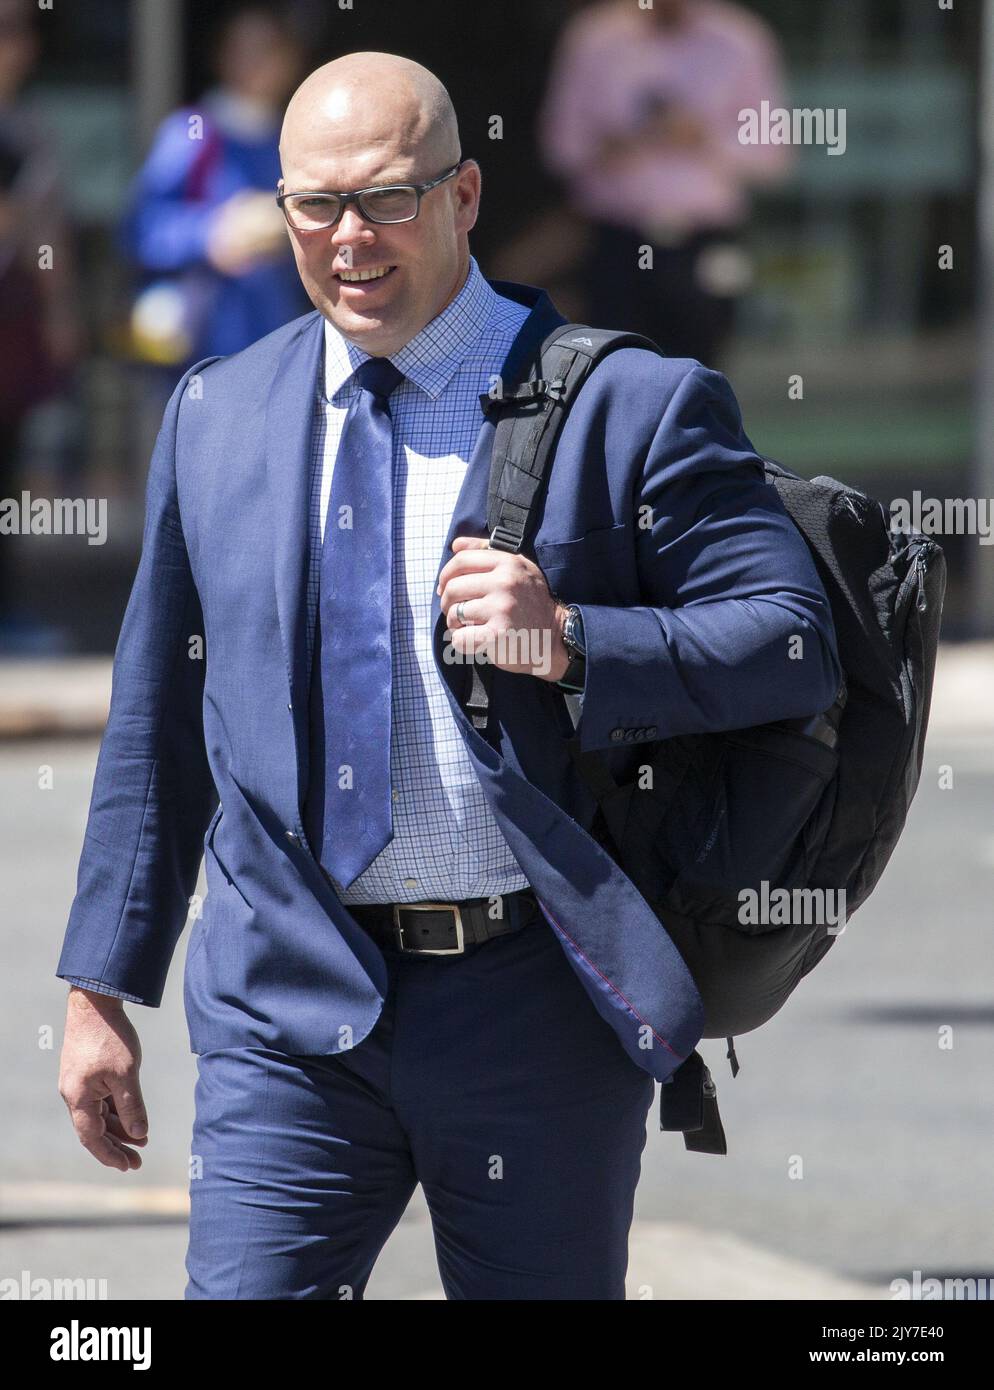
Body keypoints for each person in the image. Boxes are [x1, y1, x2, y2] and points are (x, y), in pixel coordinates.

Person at [56, 51, 840, 1301]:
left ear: (465, 195)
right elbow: (157, 723)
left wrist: (577, 634)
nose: (347, 239)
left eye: (388, 199)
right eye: (313, 205)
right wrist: (101, 982)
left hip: (528, 1004)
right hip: (283, 1007)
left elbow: (792, 637)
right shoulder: (217, 413)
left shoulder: (625, 404)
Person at [539, 0, 793, 367]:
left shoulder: (741, 39)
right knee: (613, 368)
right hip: (617, 239)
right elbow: (560, 146)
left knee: (702, 369)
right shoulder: (594, 36)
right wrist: (608, 145)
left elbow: (773, 156)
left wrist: (702, 138)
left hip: (705, 241)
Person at [119, 2, 309, 374]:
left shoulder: (298, 138)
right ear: (222, 56)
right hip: (202, 356)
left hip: (279, 352)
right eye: (243, 48)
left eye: (268, 48)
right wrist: (212, 234)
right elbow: (138, 229)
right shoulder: (193, 131)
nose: (255, 61)